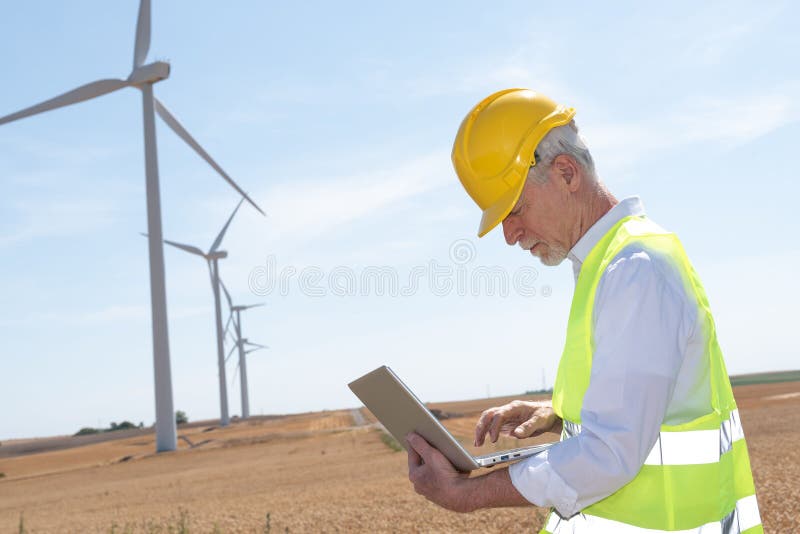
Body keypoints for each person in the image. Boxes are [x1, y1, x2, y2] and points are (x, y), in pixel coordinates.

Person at [405, 88, 763, 533]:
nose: (510, 235)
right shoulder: (608, 266)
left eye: (514, 210)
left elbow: (609, 453)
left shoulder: (636, 270)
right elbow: (641, 405)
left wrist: (466, 493)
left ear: (566, 173)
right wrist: (558, 413)